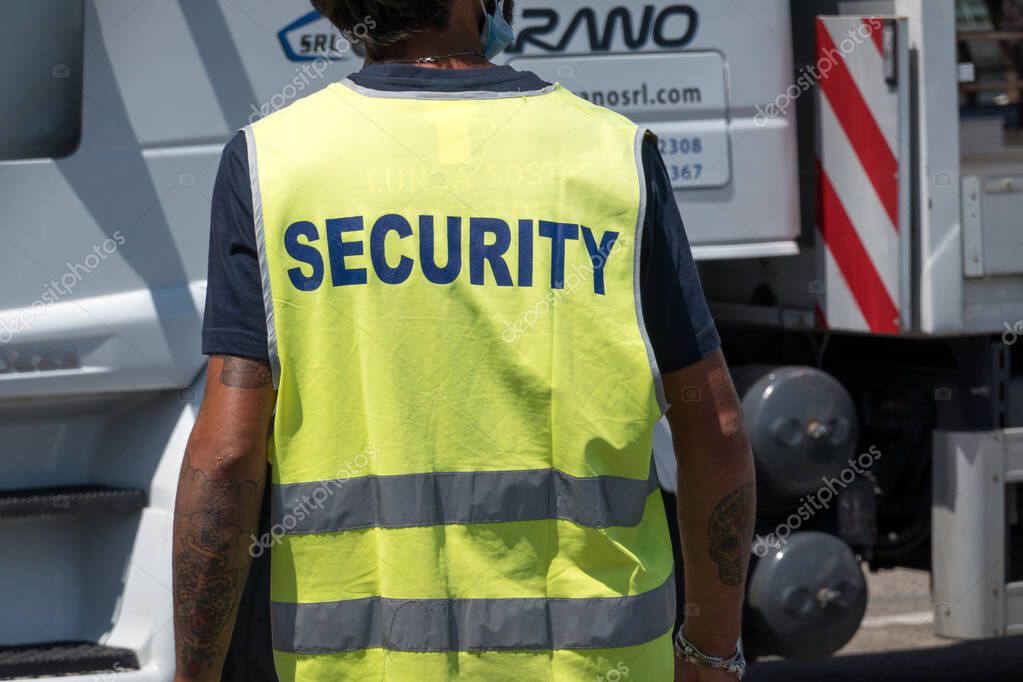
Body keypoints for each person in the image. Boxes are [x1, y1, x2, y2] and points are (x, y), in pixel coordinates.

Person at [172, 0, 756, 680]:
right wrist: (709, 650)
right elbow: (714, 428)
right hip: (598, 663)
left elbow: (227, 457)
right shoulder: (611, 156)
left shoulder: (274, 164)